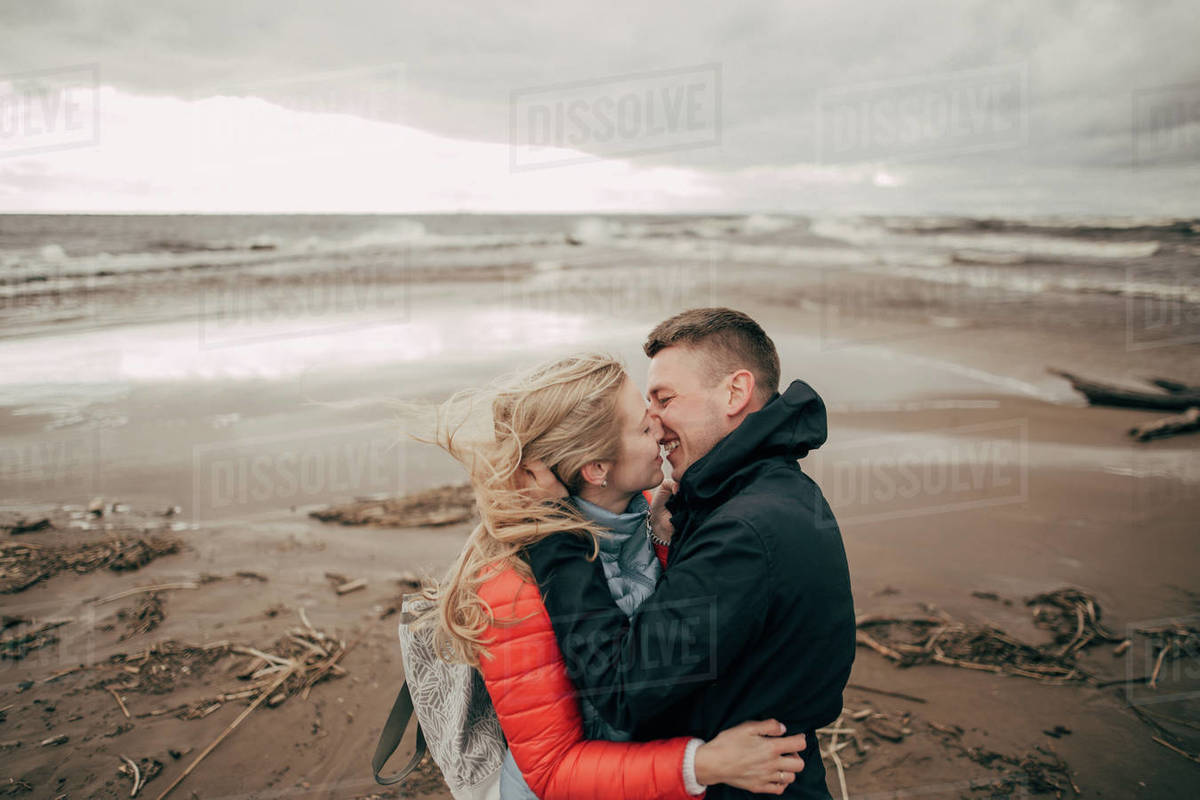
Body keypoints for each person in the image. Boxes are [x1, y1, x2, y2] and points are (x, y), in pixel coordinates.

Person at [425, 353, 809, 800]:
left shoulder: (654, 515)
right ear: (596, 469)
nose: (661, 429)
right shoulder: (509, 590)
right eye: (645, 429)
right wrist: (703, 764)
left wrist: (668, 543)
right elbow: (551, 771)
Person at [521, 308, 857, 799]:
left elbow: (622, 689)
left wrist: (555, 533)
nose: (652, 423)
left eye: (664, 399)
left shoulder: (742, 532)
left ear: (735, 393)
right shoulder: (766, 491)